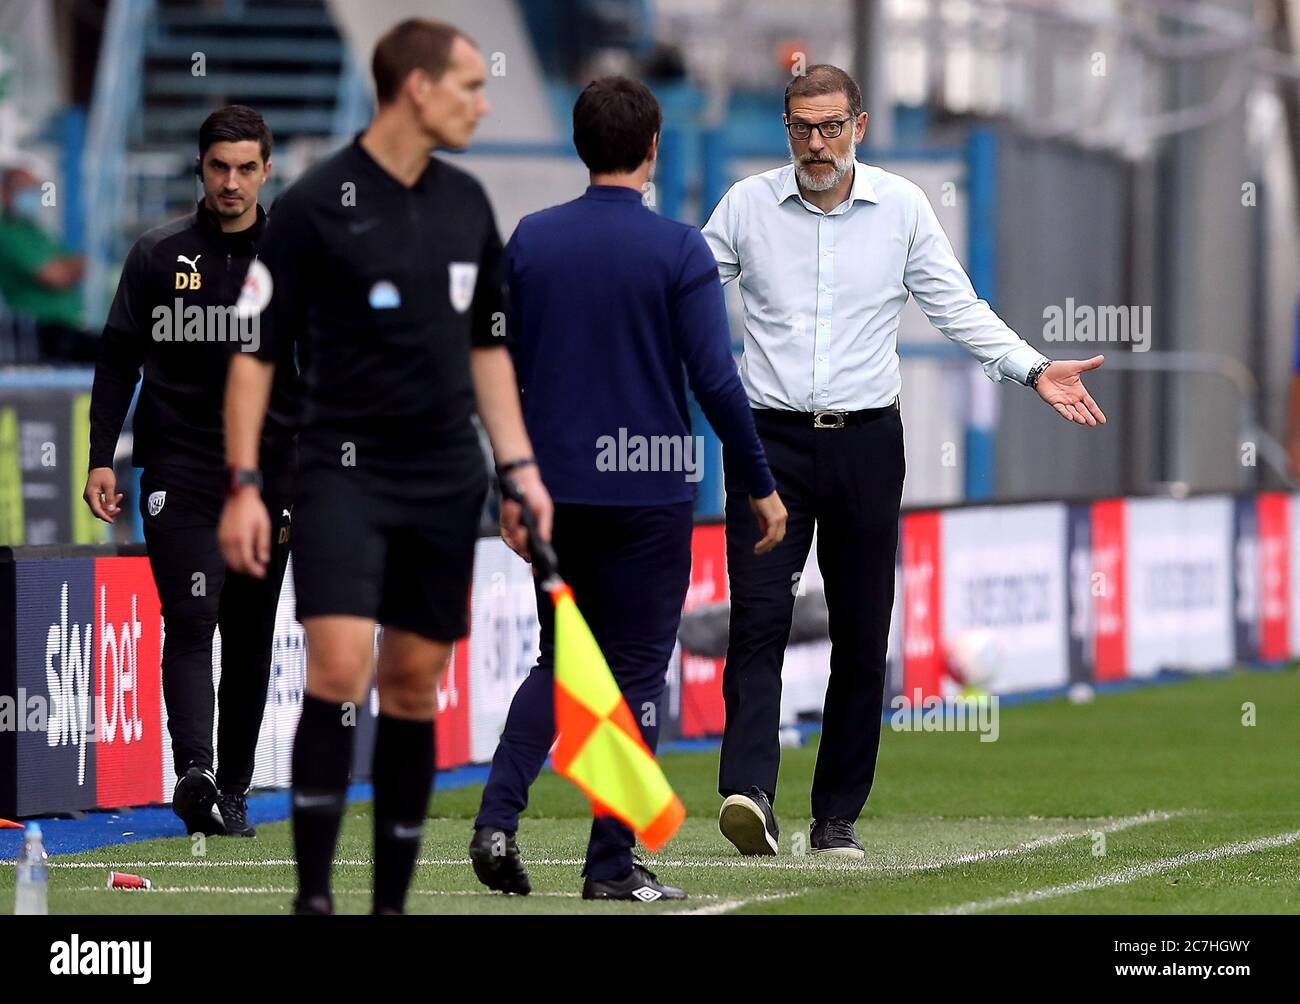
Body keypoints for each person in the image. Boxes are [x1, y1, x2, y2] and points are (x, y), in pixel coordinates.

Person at [702, 64, 1107, 858]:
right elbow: (684, 296)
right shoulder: (744, 206)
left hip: (866, 444)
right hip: (768, 442)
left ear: (858, 126)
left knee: (861, 632)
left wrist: (1032, 368)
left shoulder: (902, 208)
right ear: (786, 130)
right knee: (758, 618)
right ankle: (749, 792)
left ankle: (836, 818)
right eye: (800, 128)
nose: (815, 144)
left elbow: (957, 308)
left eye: (829, 127)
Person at [218, 18, 552, 916]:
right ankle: (315, 897)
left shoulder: (468, 205)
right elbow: (253, 352)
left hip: (446, 479)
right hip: (339, 474)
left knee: (411, 684)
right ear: (416, 87)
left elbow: (490, 353)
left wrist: (520, 469)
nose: (483, 103)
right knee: (336, 671)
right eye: (469, 86)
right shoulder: (316, 203)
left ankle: (390, 907)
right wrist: (245, 484)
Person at [469, 76, 787, 903]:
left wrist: (508, 482)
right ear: (653, 149)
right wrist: (758, 481)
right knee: (637, 674)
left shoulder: (532, 241)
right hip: (649, 492)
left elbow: (501, 371)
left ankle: (497, 817)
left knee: (562, 663)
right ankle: (611, 864)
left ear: (581, 147)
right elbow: (717, 381)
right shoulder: (680, 249)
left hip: (555, 489)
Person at [84, 105, 295, 837]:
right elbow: (116, 361)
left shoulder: (296, 259)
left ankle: (232, 793)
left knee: (250, 633)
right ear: (200, 169)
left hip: (272, 478)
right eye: (218, 167)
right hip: (178, 465)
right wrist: (98, 458)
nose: (231, 182)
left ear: (267, 170)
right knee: (193, 613)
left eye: (245, 168)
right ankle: (194, 772)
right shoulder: (156, 253)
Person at [0, 165, 94, 361]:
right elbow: (54, 276)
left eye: (33, 190)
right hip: (43, 331)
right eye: (23, 189)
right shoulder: (7, 232)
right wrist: (66, 269)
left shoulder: (35, 230)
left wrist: (67, 268)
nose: (31, 196)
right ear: (6, 192)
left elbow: (81, 265)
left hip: (67, 326)